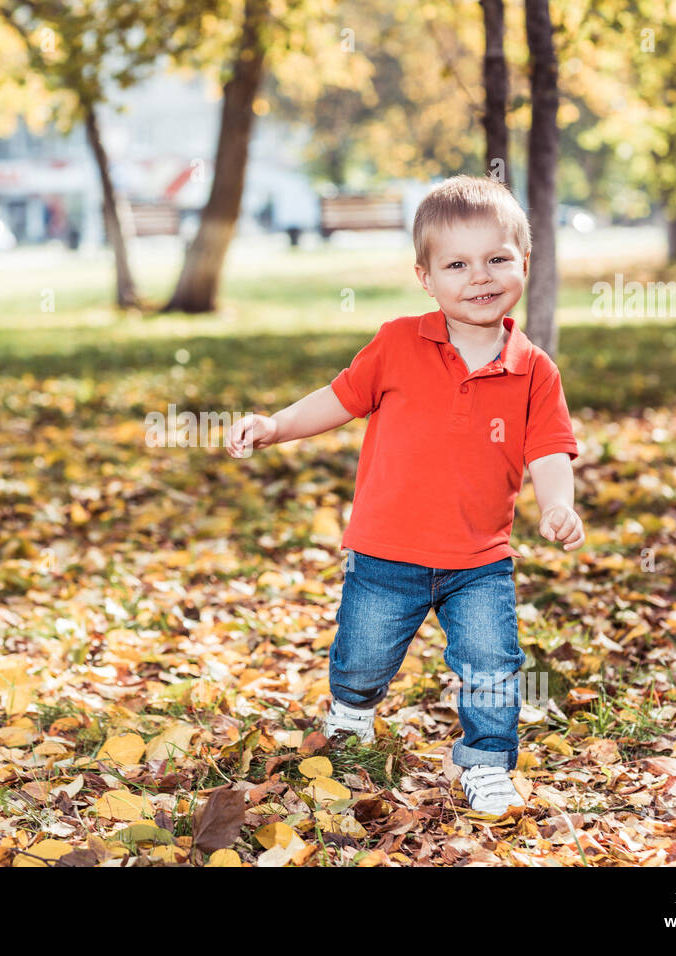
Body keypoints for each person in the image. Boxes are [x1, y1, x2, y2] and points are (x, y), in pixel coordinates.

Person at [225, 175, 584, 817]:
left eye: (498, 259)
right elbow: (337, 399)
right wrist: (276, 425)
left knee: (493, 664)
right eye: (457, 264)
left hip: (480, 561)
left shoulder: (535, 369)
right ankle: (350, 714)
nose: (480, 277)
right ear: (426, 277)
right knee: (363, 657)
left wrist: (557, 503)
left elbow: (548, 450)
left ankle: (488, 762)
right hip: (387, 553)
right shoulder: (397, 343)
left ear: (524, 263)